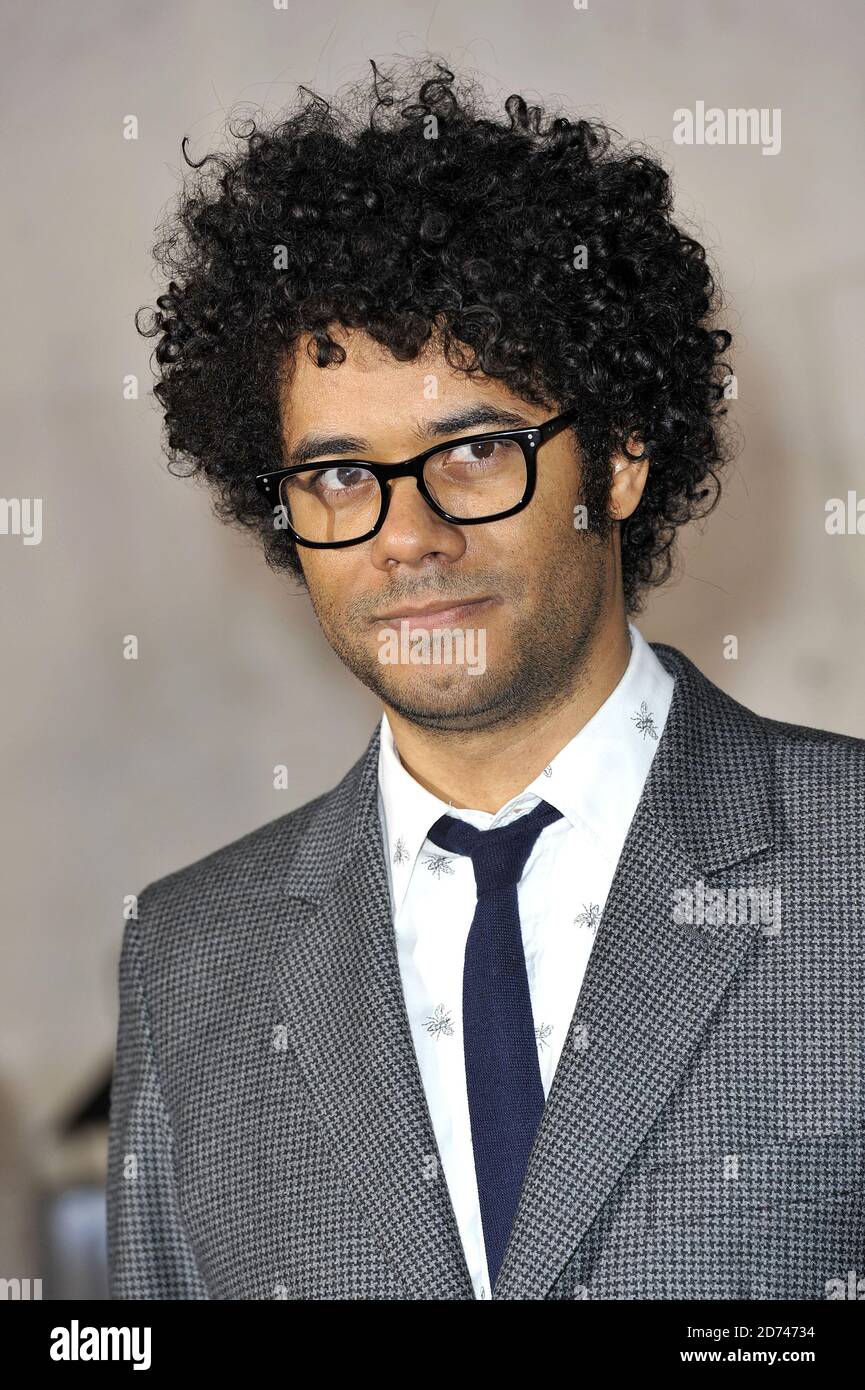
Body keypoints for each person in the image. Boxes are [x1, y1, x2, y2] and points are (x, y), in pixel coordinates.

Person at [106, 57, 865, 1301]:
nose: (409, 535)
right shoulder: (190, 957)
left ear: (618, 459)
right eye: (341, 475)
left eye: (473, 451)